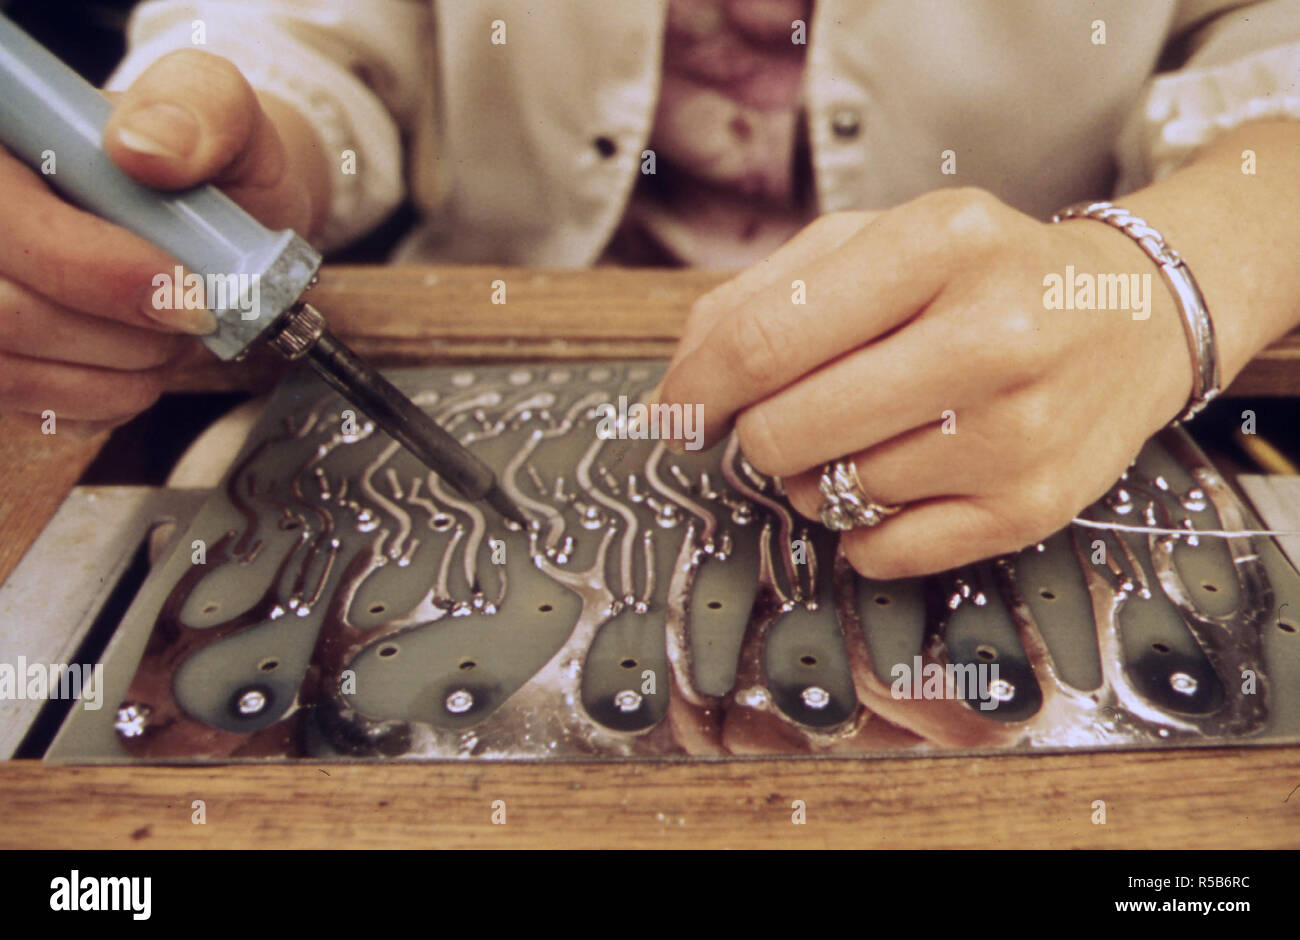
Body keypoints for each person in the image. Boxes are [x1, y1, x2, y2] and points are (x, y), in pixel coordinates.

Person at [2, 0, 1298, 579]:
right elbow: (301, 28)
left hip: (1054, 404)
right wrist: (250, 148)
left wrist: (1164, 282)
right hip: (462, 345)